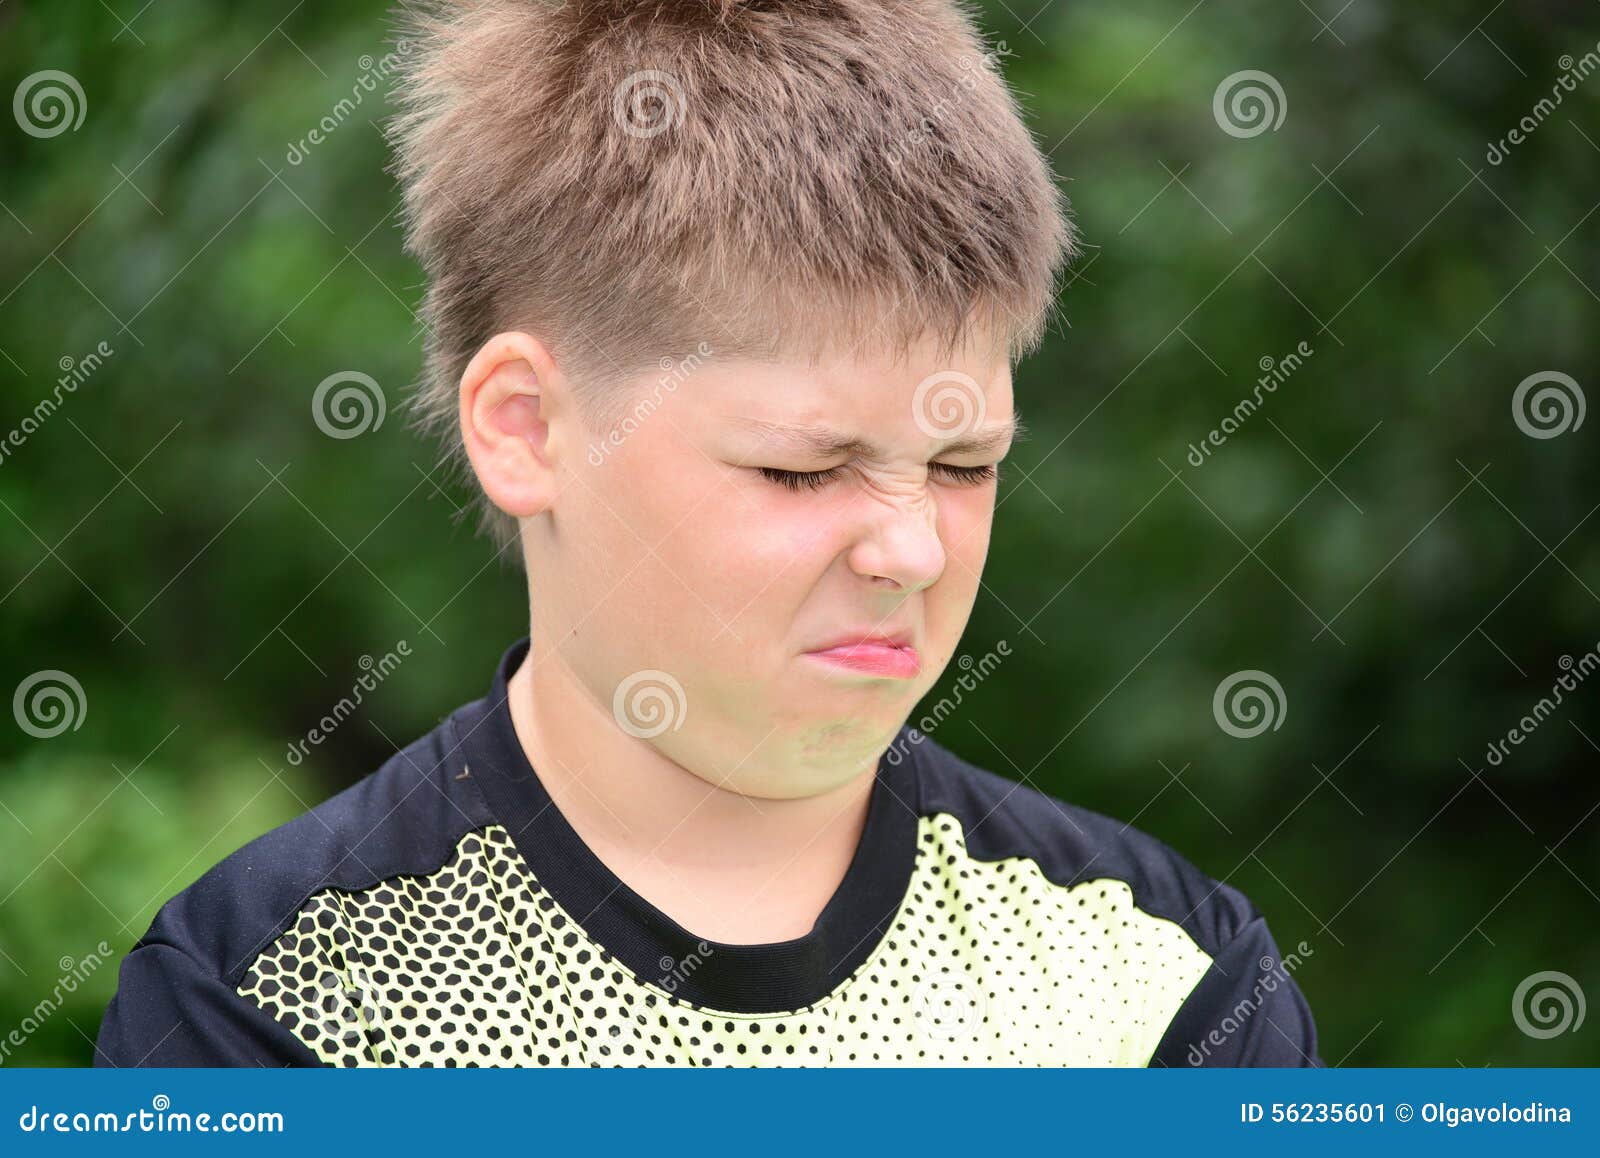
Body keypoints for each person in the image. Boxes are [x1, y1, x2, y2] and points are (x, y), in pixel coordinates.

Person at [95, 0, 1319, 1067]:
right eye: (801, 469)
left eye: (962, 464)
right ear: (526, 430)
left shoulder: (1160, 983)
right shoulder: (279, 1002)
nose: (913, 550)